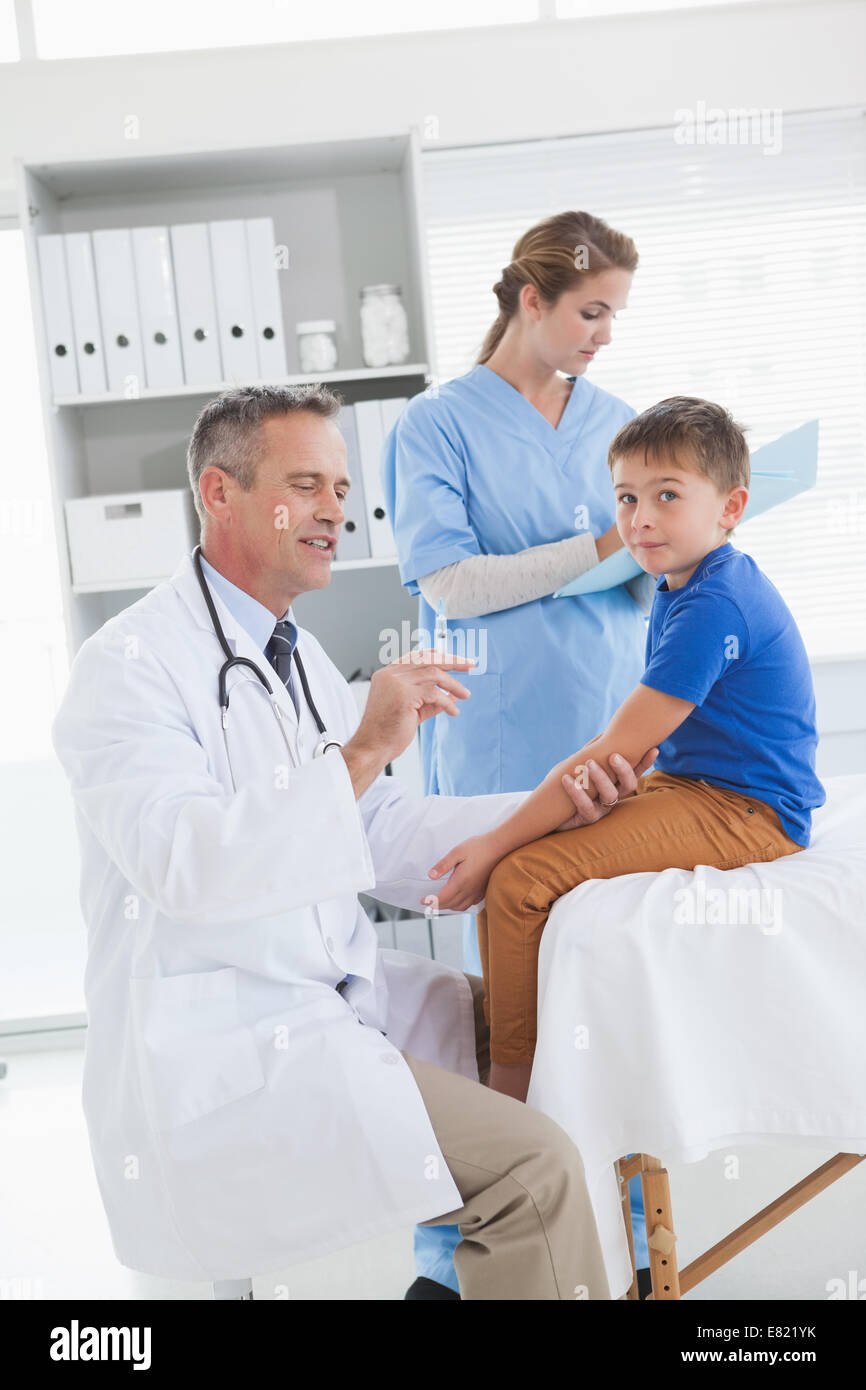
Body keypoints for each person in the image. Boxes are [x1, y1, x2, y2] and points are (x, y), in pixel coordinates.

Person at [51, 383, 654, 1300]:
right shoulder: (127, 671)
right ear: (220, 494)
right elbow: (190, 865)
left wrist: (558, 802)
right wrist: (368, 746)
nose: (339, 508)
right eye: (308, 483)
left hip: (332, 1005)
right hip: (227, 1051)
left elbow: (386, 834)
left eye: (342, 485)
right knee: (530, 1169)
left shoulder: (293, 650)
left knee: (562, 1032)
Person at [381, 210, 655, 1296]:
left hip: (611, 742)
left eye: (615, 316)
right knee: (503, 1018)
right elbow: (450, 582)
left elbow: (647, 571)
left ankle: (630, 1242)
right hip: (500, 755)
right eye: (590, 312)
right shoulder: (436, 427)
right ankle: (450, 1263)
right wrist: (593, 547)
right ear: (528, 301)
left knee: (613, 1002)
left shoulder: (624, 422)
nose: (603, 335)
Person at [425, 396, 827, 1104]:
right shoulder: (685, 584)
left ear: (730, 507)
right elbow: (640, 750)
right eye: (626, 497)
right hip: (695, 785)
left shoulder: (713, 605)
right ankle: (515, 1045)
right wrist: (605, 789)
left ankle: (514, 1098)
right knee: (519, 867)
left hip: (750, 814)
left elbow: (614, 744)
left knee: (514, 881)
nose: (640, 518)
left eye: (667, 496)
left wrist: (491, 844)